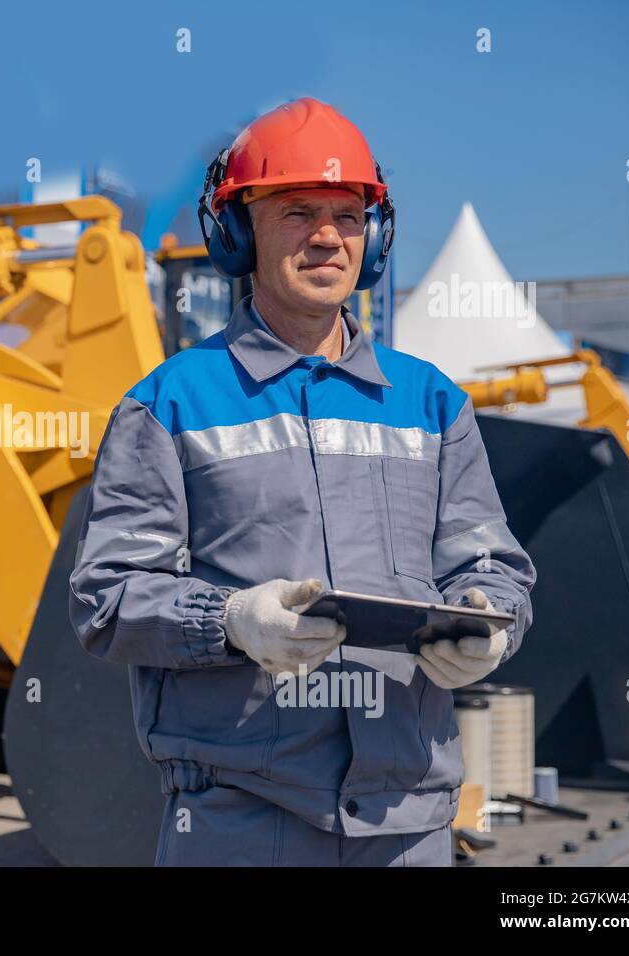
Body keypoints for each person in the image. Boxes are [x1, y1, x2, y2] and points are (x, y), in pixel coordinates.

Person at [68, 97, 536, 867]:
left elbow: (494, 566)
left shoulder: (433, 403)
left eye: (348, 214)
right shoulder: (168, 404)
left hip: (408, 821)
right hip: (240, 819)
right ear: (238, 233)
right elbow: (107, 597)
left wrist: (491, 622)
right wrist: (229, 620)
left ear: (375, 236)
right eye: (296, 211)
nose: (327, 235)